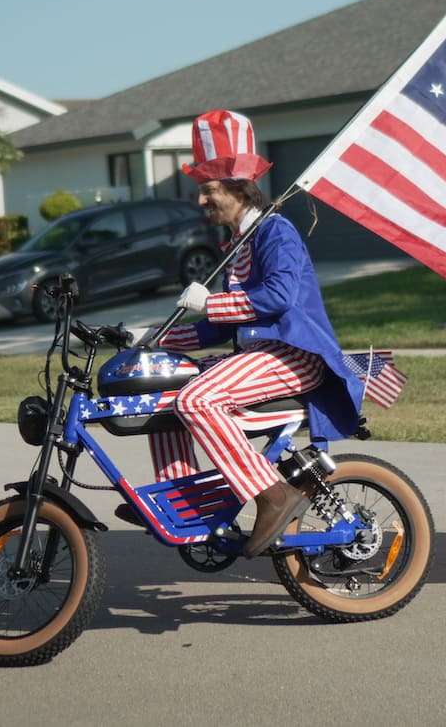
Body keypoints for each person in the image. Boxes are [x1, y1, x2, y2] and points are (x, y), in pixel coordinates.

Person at [132, 109, 364, 557]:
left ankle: (273, 496)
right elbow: (218, 326)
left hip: (293, 357)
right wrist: (155, 338)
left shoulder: (276, 232)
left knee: (195, 399)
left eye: (208, 190)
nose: (201, 201)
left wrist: (210, 302)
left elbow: (277, 298)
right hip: (259, 359)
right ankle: (184, 499)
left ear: (239, 189)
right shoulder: (238, 243)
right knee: (164, 390)